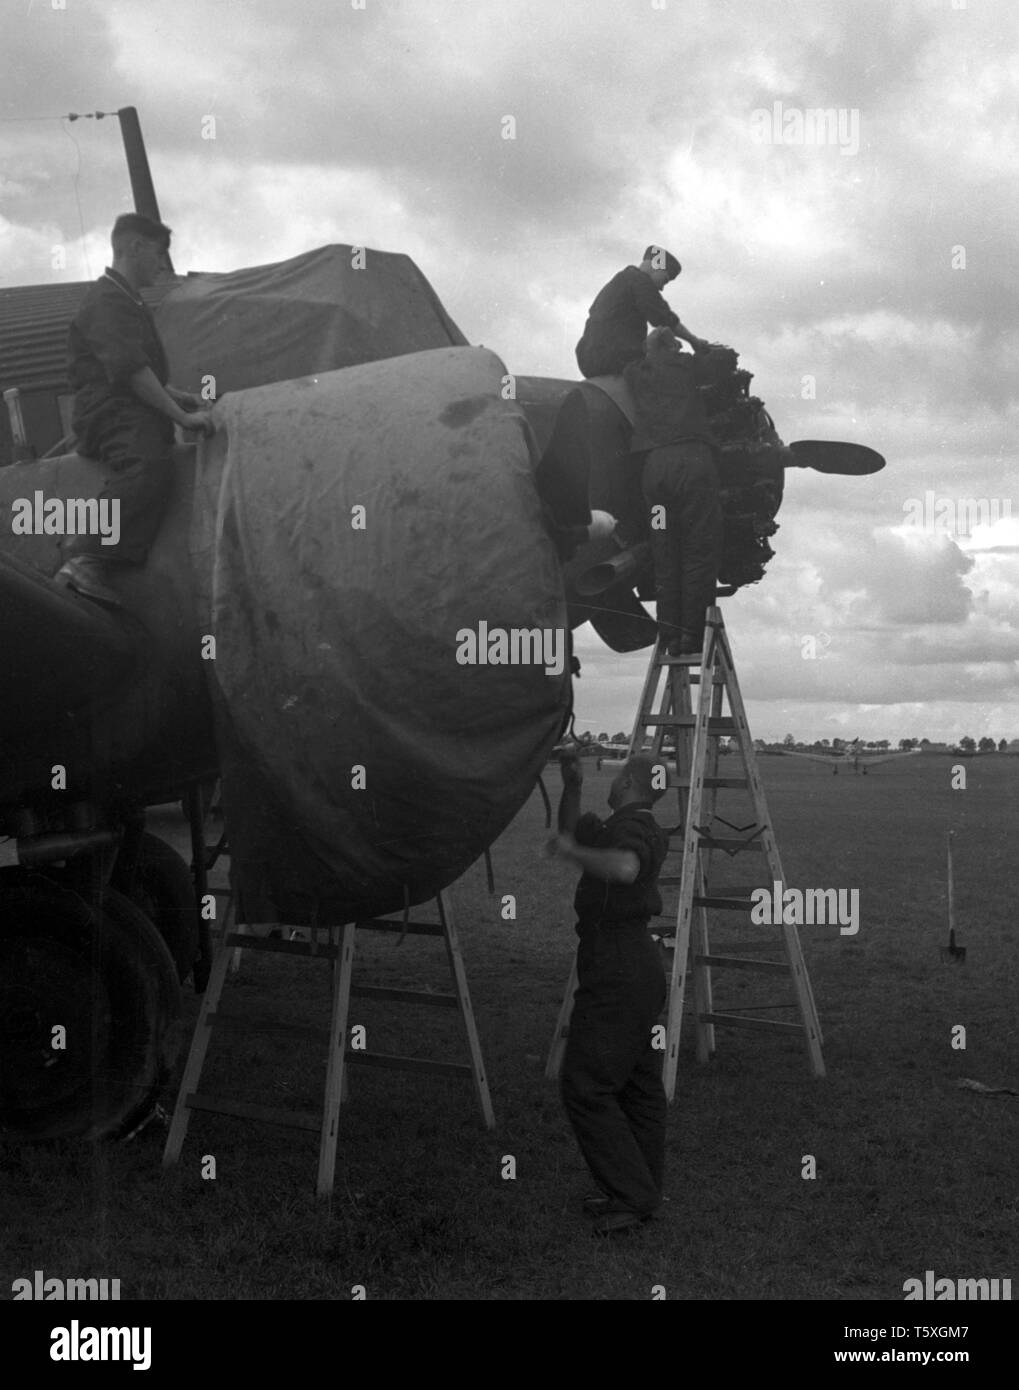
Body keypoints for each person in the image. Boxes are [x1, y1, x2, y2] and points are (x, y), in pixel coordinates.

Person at [56, 213, 215, 607]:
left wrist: (178, 396)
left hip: (125, 403)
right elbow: (130, 372)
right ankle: (84, 556)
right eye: (159, 256)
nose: (163, 266)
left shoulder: (126, 298)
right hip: (108, 411)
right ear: (133, 248)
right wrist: (183, 418)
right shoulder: (107, 300)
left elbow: (137, 371)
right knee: (148, 465)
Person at [547, 750, 669, 1235]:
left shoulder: (636, 828)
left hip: (619, 967)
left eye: (620, 775)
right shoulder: (623, 821)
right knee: (638, 1087)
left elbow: (623, 868)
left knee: (586, 1084)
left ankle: (632, 1194)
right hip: (632, 965)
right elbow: (577, 831)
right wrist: (572, 785)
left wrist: (568, 853)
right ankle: (640, 1191)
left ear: (632, 783)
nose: (613, 782)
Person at [625, 327, 735, 655]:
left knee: (664, 553)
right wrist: (693, 342)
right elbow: (723, 360)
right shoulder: (684, 365)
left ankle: (669, 635)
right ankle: (690, 636)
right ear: (672, 347)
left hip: (655, 473)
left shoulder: (635, 372)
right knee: (697, 551)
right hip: (691, 466)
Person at [575, 245, 708, 380]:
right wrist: (693, 341)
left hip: (587, 360)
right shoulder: (640, 280)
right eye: (665, 280)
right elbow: (663, 318)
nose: (662, 288)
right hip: (615, 359)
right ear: (657, 266)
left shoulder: (619, 281)